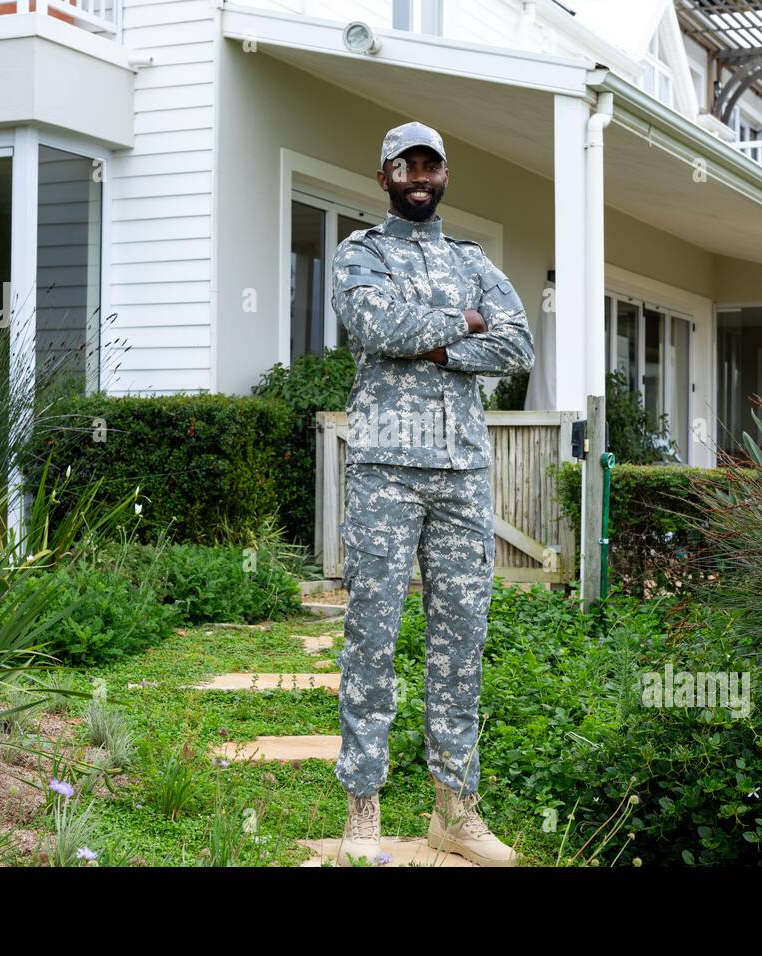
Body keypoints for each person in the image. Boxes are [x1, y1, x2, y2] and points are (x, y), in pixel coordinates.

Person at [330, 121, 535, 867]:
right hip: (386, 467)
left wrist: (441, 338)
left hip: (462, 474)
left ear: (444, 176)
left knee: (461, 643)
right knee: (372, 636)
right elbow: (375, 324)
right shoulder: (362, 254)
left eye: (430, 166)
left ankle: (455, 811)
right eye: (404, 166)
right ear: (383, 176)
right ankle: (364, 810)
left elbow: (517, 346)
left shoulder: (470, 259)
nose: (419, 177)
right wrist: (467, 325)